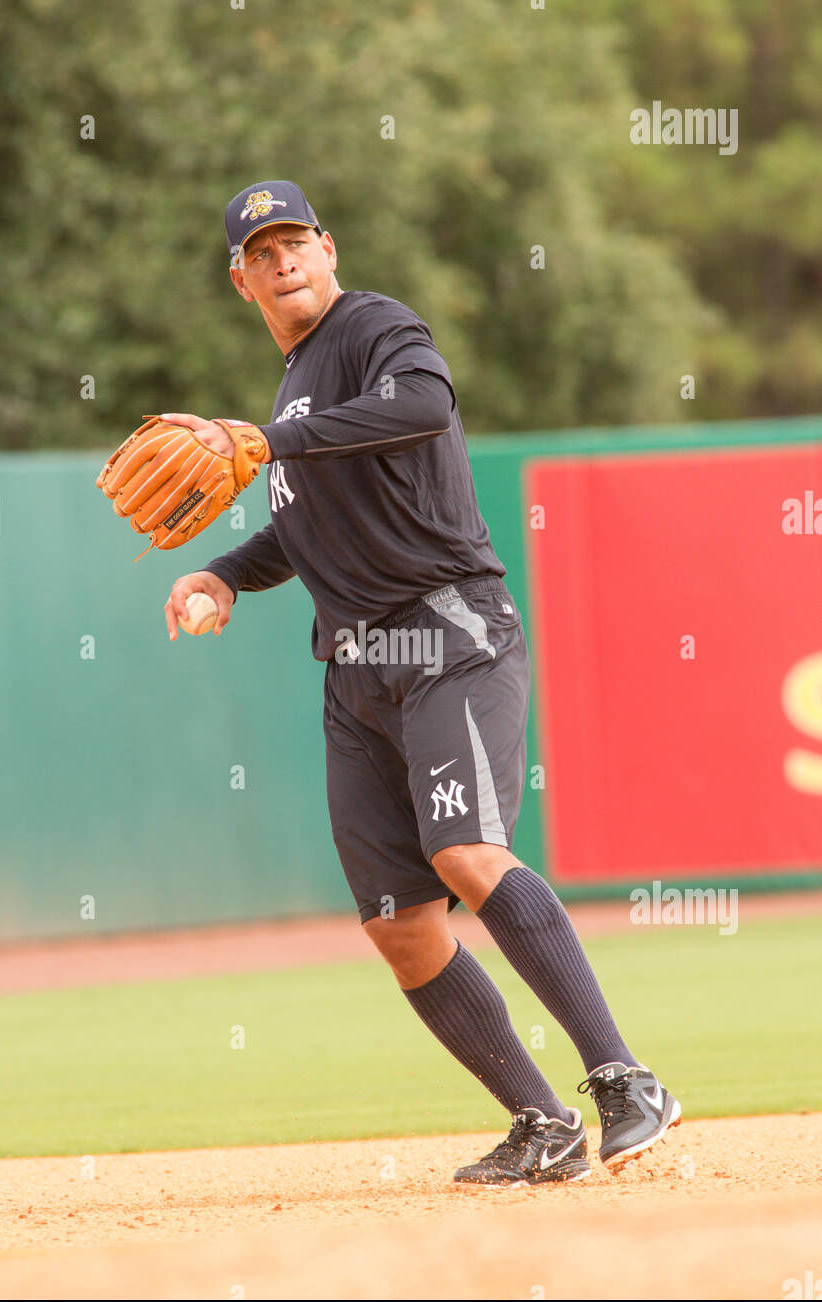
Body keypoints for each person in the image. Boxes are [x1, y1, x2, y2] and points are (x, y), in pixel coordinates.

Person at [163, 180, 681, 1186]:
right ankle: (543, 1124)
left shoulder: (373, 327)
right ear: (240, 281)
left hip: (446, 630)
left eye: (295, 241)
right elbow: (305, 524)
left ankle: (625, 1080)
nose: (282, 260)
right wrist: (223, 575)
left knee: (465, 851)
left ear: (328, 247)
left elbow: (423, 405)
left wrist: (269, 441)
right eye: (260, 253)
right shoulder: (293, 390)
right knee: (398, 925)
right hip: (355, 674)